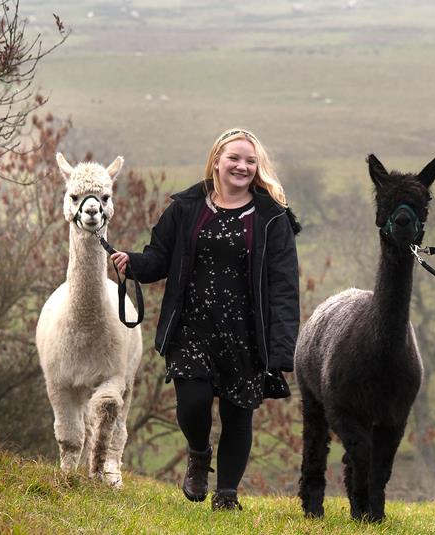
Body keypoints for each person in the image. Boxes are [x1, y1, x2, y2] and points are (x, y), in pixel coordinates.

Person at [111, 128, 300, 511]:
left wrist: (282, 347)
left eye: (250, 161)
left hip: (248, 333)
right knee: (192, 402)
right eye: (234, 158)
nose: (242, 166)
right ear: (216, 160)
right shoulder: (185, 208)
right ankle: (199, 453)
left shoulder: (272, 219)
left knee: (237, 414)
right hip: (192, 327)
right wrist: (132, 263)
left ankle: (227, 495)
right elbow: (159, 257)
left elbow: (284, 286)